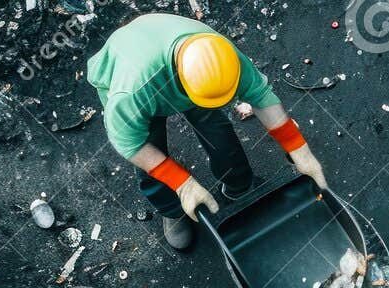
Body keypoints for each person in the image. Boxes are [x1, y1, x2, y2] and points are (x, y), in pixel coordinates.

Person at [87, 13, 329, 250]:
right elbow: (129, 144)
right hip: (136, 73)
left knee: (216, 129)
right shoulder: (131, 92)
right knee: (151, 146)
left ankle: (239, 186)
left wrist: (300, 150)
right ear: (182, 82)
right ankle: (172, 210)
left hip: (185, 76)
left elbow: (261, 97)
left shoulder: (220, 54)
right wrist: (183, 184)